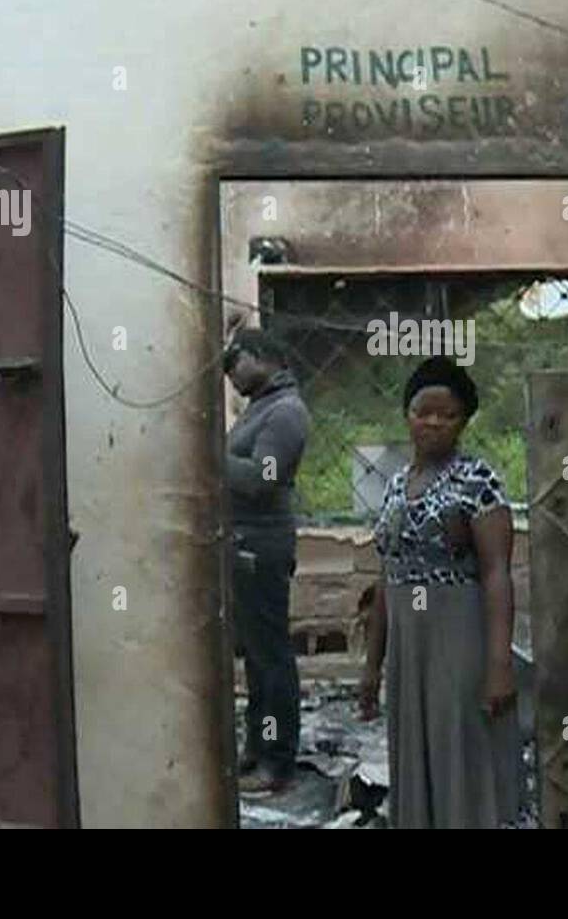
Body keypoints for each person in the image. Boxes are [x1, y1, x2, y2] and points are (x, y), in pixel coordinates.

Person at [358, 355, 520, 828]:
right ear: (407, 414)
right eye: (422, 411)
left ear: (463, 422)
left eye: (447, 415)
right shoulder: (393, 486)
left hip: (456, 636)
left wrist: (499, 665)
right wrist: (372, 666)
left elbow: (496, 574)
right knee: (415, 756)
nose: (433, 423)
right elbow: (389, 575)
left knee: (460, 753)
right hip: (409, 645)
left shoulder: (478, 482)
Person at [224, 328, 309, 796]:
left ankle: (277, 763)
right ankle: (259, 748)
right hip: (247, 542)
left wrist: (204, 459)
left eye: (232, 362)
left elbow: (263, 478)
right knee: (257, 659)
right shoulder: (262, 408)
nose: (229, 374)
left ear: (262, 358)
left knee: (271, 659)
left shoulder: (284, 413)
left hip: (262, 545)